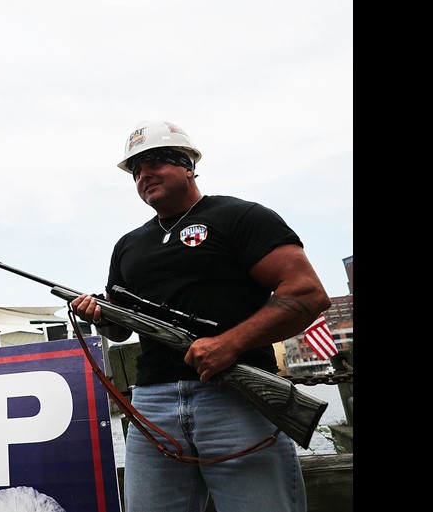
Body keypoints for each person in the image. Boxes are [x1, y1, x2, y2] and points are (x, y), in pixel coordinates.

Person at [69, 120, 331, 512]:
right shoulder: (128, 245)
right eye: (136, 171)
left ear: (188, 164)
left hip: (236, 397)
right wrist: (99, 316)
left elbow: (307, 294)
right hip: (151, 405)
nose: (144, 175)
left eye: (155, 162)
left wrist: (230, 344)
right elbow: (121, 327)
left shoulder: (241, 217)